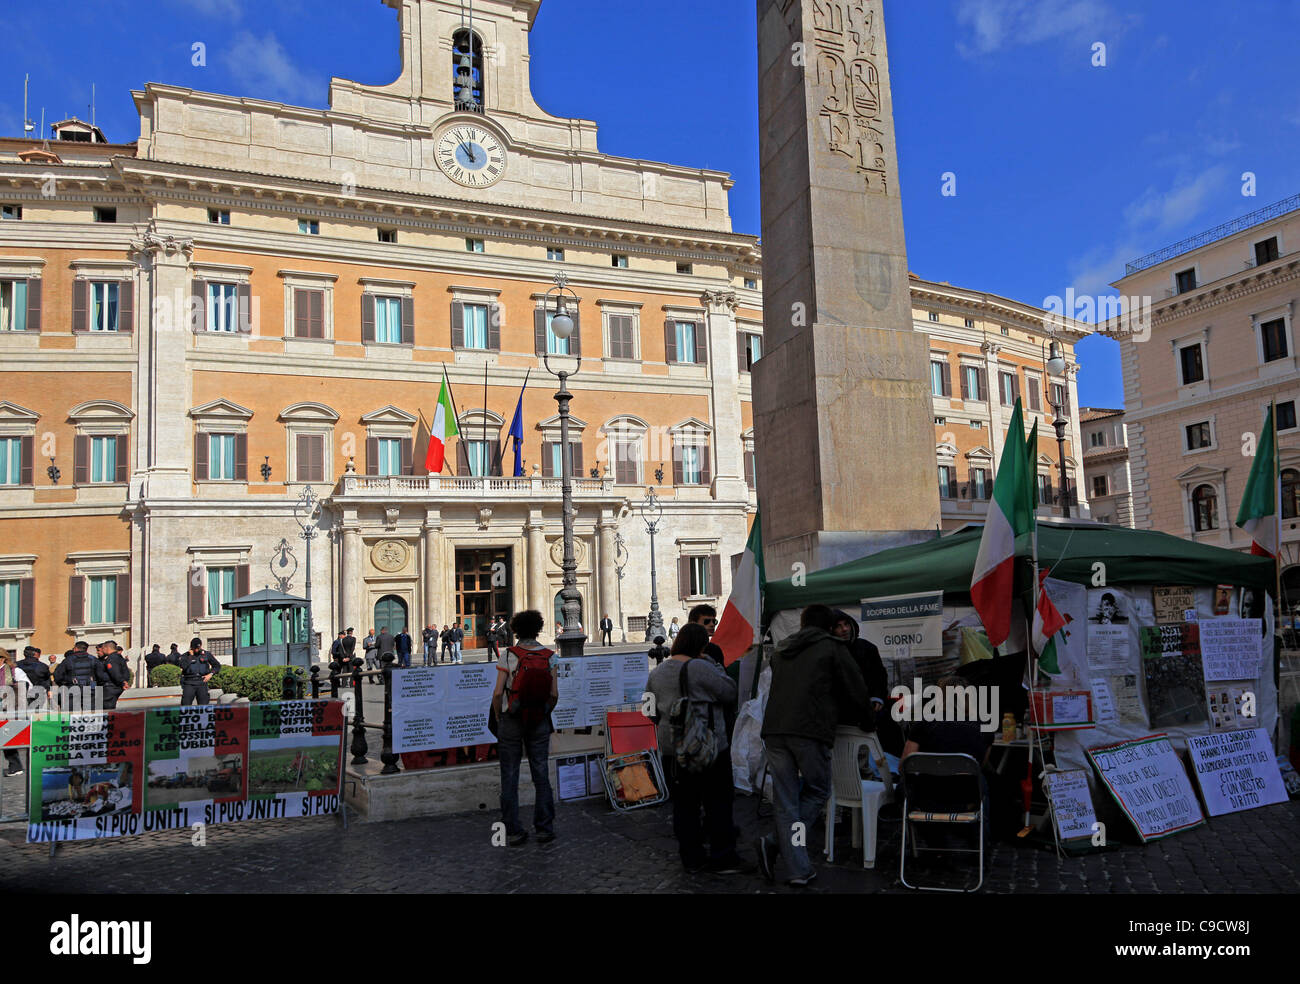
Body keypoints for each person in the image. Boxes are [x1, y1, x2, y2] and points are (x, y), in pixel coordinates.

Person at [756, 604, 869, 887]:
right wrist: (868, 720)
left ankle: (796, 867)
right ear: (829, 627)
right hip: (808, 730)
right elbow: (855, 688)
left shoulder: (782, 650)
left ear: (803, 624)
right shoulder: (833, 648)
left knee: (785, 800)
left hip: (774, 729)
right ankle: (776, 844)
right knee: (819, 790)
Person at [647, 623, 745, 873]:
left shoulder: (657, 673)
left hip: (673, 747)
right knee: (718, 801)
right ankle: (723, 856)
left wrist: (670, 722)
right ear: (702, 645)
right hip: (708, 745)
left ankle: (691, 857)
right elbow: (730, 692)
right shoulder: (702, 667)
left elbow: (647, 710)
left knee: (684, 805)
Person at [490, 610, 558, 846]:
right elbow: (554, 695)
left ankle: (513, 830)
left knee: (509, 774)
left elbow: (498, 693)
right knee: (541, 772)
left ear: (515, 630)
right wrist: (544, 712)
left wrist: (500, 716)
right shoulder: (550, 655)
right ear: (538, 629)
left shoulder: (509, 655)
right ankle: (544, 827)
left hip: (512, 718)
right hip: (539, 717)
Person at [831, 610, 889, 731]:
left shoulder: (867, 648)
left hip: (871, 711)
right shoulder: (829, 652)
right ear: (831, 630)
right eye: (838, 626)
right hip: (841, 718)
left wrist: (878, 697)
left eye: (846, 624)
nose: (844, 629)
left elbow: (880, 677)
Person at [1, 649, 29, 776]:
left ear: (2, 658)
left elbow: (28, 686)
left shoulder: (15, 671)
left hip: (10, 709)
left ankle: (16, 766)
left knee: (8, 739)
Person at [53, 641, 106, 709]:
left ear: (75, 648)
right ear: (86, 649)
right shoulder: (94, 659)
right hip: (90, 689)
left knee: (72, 715)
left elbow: (58, 676)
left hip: (72, 689)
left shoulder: (68, 660)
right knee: (90, 714)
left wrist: (65, 683)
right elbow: (101, 676)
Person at [179, 638, 221, 706]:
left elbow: (217, 666)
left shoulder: (206, 654)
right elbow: (183, 666)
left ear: (200, 646)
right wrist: (190, 656)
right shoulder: (185, 656)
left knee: (203, 706)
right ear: (191, 647)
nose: (196, 650)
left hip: (202, 682)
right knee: (185, 705)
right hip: (189, 683)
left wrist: (210, 674)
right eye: (195, 648)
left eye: (198, 648)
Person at [97, 640, 131, 709]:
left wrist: (122, 682)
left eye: (103, 649)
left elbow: (114, 672)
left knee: (107, 708)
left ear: (107, 648)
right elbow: (126, 671)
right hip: (116, 686)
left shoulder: (111, 659)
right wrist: (125, 681)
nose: (102, 651)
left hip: (111, 687)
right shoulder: (119, 657)